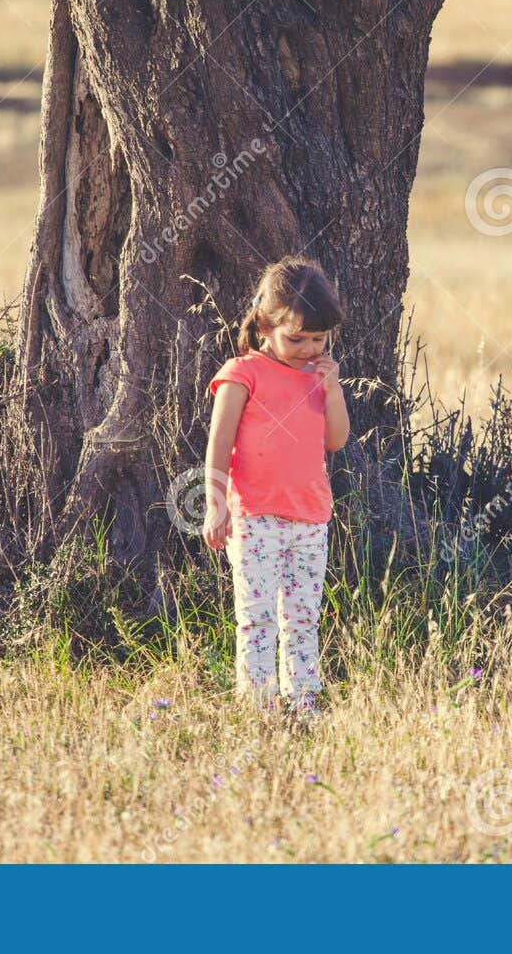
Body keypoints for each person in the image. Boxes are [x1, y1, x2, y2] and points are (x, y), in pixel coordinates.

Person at [203, 256, 350, 720]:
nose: (308, 348)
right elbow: (219, 442)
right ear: (265, 326)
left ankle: (304, 700)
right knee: (258, 616)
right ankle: (260, 705)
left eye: (318, 339)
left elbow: (335, 440)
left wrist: (333, 390)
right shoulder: (242, 373)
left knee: (303, 617)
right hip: (255, 517)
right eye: (296, 337)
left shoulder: (319, 378)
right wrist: (214, 504)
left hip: (309, 517)